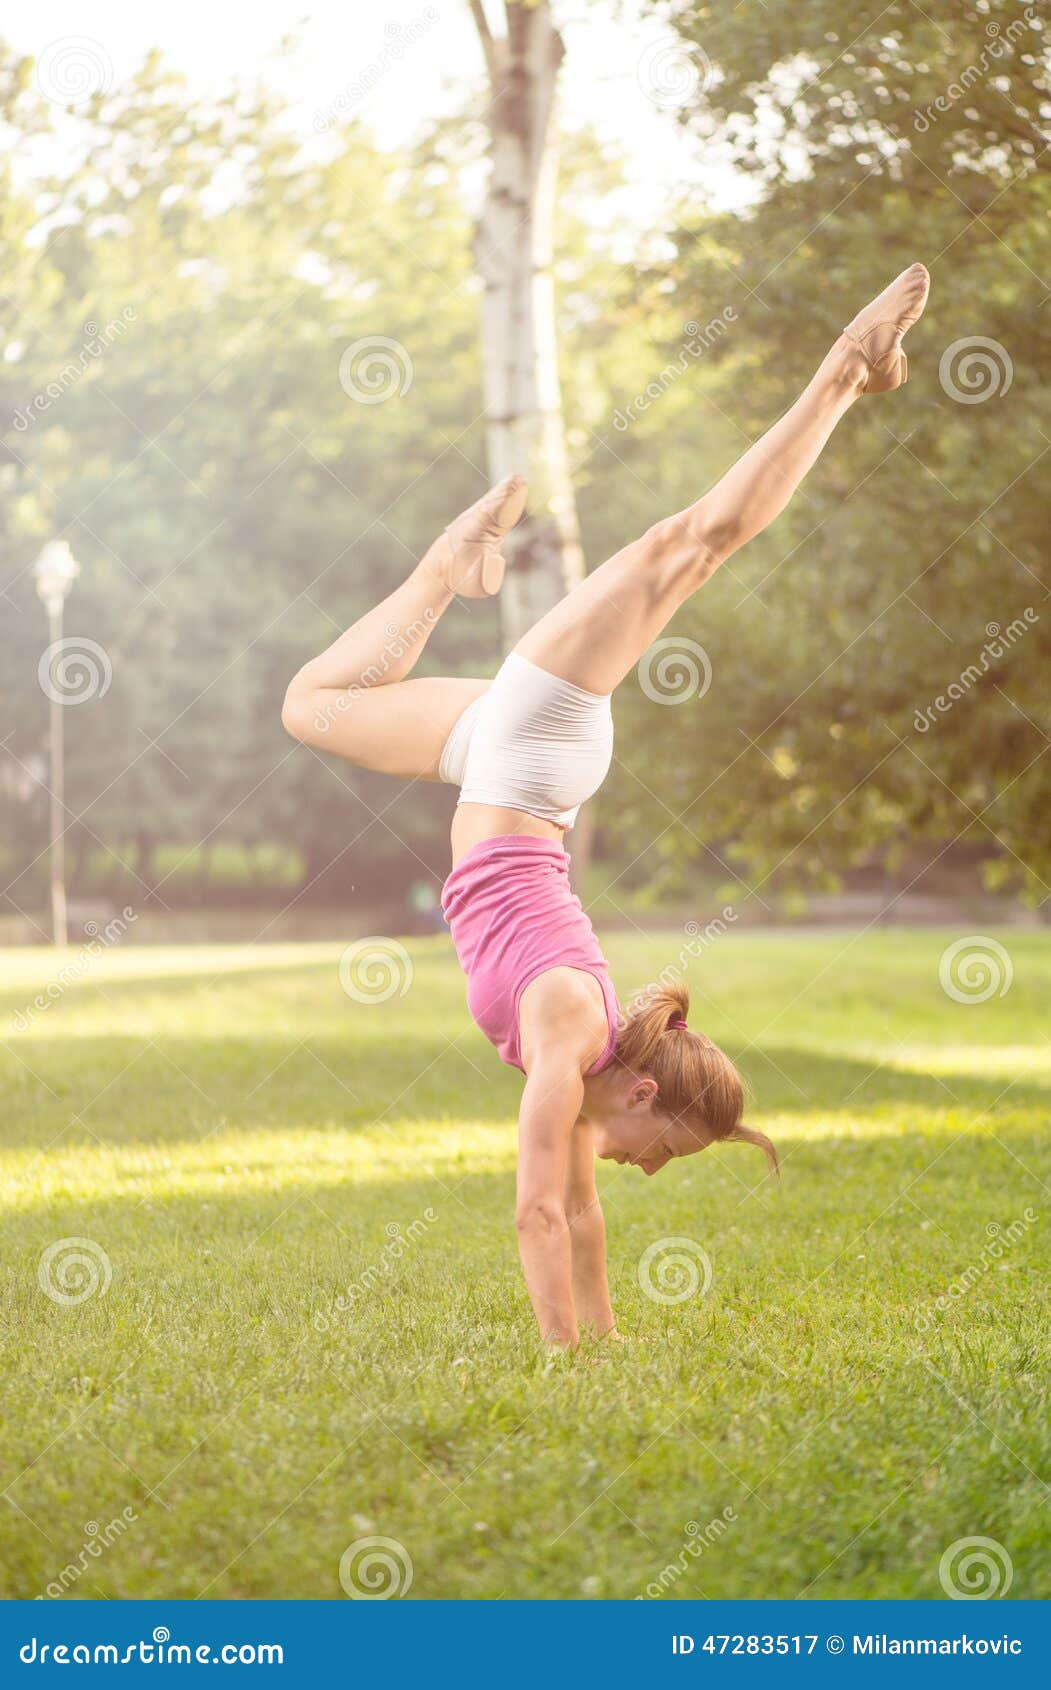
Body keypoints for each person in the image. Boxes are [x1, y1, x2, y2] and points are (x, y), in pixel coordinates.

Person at [282, 264, 930, 1346]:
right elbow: (537, 1208)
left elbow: (572, 1208)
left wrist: (605, 1337)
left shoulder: (582, 1064)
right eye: (663, 1150)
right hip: (530, 753)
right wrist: (561, 1360)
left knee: (310, 705)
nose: (645, 1172)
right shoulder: (569, 1036)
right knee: (692, 543)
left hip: (503, 767)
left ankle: (450, 569)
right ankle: (840, 374)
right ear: (640, 1097)